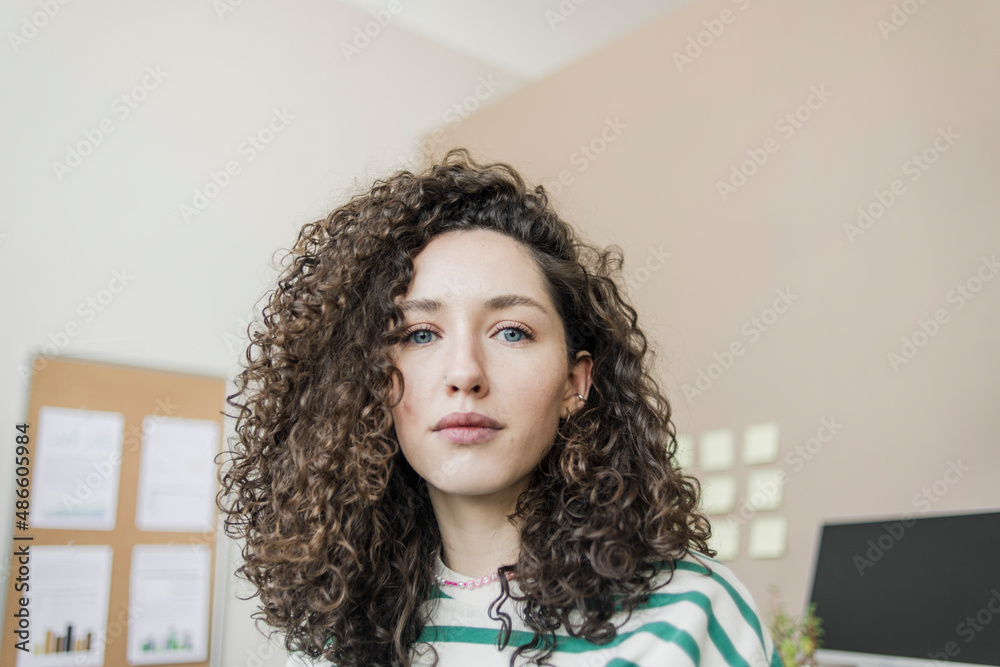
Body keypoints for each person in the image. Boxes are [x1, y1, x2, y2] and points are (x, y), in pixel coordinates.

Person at [218, 148, 782, 667]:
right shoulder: (337, 632)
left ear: (574, 383)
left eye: (511, 332)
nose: (464, 372)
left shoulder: (688, 618)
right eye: (418, 334)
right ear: (366, 385)